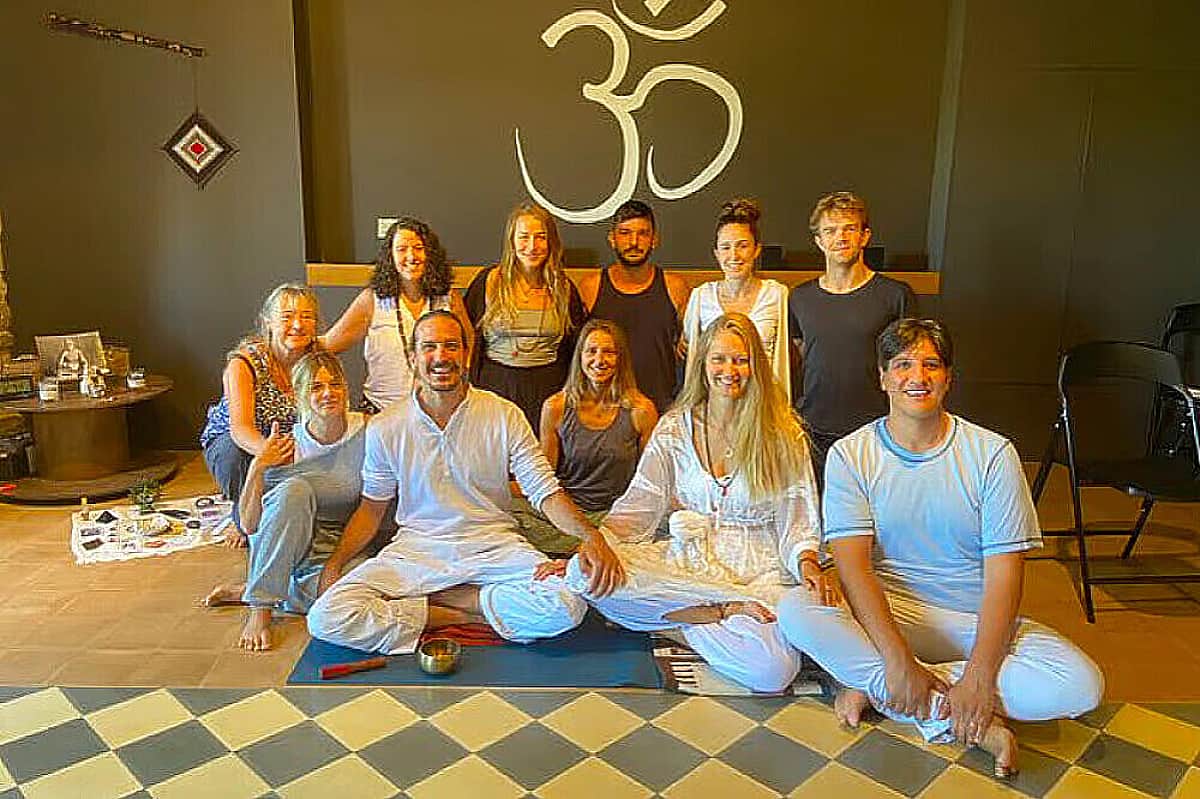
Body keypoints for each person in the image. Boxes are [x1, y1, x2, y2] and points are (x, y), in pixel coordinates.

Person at [777, 319, 1103, 778]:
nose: (918, 377)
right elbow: (853, 571)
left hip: (971, 621)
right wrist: (896, 659)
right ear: (883, 377)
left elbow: (1006, 577)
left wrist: (980, 677)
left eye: (931, 365)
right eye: (903, 364)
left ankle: (881, 689)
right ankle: (944, 711)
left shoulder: (992, 455)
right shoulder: (851, 455)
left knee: (1081, 686)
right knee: (795, 608)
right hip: (891, 615)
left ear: (949, 377)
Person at [306, 310, 624, 655]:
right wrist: (335, 564)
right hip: (419, 551)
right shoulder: (386, 426)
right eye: (429, 347)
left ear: (466, 354)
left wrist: (591, 536)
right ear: (413, 358)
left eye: (450, 346)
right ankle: (467, 617)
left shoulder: (503, 414)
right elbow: (371, 510)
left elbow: (544, 490)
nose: (441, 356)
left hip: (495, 547)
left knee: (567, 605)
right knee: (326, 616)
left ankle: (450, 601)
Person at [546, 314, 835, 693]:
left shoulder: (783, 434)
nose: (729, 370)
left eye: (740, 360)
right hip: (687, 564)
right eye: (719, 359)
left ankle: (672, 622)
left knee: (773, 671)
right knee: (584, 578)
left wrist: (808, 562)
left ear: (756, 368)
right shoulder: (674, 427)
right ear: (701, 364)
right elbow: (637, 508)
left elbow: (797, 519)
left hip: (757, 572)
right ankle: (710, 615)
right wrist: (592, 548)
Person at [203, 351, 367, 651]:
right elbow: (251, 524)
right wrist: (258, 467)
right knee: (295, 490)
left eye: (335, 384)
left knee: (367, 589)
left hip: (342, 548)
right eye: (316, 387)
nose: (328, 393)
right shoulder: (286, 446)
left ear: (346, 388)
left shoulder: (369, 432)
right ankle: (261, 608)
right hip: (292, 548)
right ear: (299, 396)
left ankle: (257, 587)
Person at [788, 191, 916, 486]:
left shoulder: (895, 295)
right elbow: (797, 359)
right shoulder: (800, 298)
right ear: (819, 241)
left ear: (865, 236)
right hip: (814, 430)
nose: (840, 237)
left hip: (877, 430)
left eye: (849, 228)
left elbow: (910, 366)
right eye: (830, 230)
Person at [514, 319, 658, 554]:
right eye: (591, 351)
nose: (599, 360)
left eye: (609, 352)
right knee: (508, 510)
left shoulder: (641, 410)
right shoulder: (556, 407)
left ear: (620, 359)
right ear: (580, 357)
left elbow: (650, 479)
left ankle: (590, 546)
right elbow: (544, 474)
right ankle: (597, 546)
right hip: (568, 513)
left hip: (616, 514)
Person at [199, 283, 319, 544]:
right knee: (233, 457)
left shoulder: (318, 360)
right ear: (269, 323)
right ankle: (243, 516)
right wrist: (269, 453)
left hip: (288, 438)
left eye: (306, 317)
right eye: (287, 317)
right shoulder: (243, 362)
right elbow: (240, 428)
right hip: (237, 437)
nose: (298, 325)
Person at [322, 217, 472, 412]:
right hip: (380, 411)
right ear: (390, 257)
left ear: (430, 254)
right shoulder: (372, 300)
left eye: (418, 248)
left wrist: (461, 376)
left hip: (438, 411)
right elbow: (328, 344)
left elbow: (468, 339)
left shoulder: (448, 299)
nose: (411, 256)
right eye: (402, 249)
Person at [465, 201, 587, 431]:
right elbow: (466, 337)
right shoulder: (490, 282)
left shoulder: (564, 288)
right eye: (524, 237)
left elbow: (576, 347)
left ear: (551, 242)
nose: (532, 246)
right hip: (495, 386)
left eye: (540, 237)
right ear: (511, 240)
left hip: (548, 388)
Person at [577, 200, 690, 413]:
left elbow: (690, 349)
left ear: (654, 240)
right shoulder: (590, 288)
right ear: (612, 239)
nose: (634, 242)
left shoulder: (675, 288)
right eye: (625, 233)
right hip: (604, 409)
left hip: (661, 407)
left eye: (643, 234)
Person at [681, 199, 790, 403]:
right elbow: (691, 354)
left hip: (763, 404)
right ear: (716, 253)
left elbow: (785, 357)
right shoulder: (700, 296)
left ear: (757, 250)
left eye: (742, 246)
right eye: (725, 247)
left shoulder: (777, 295)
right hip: (713, 405)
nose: (734, 255)